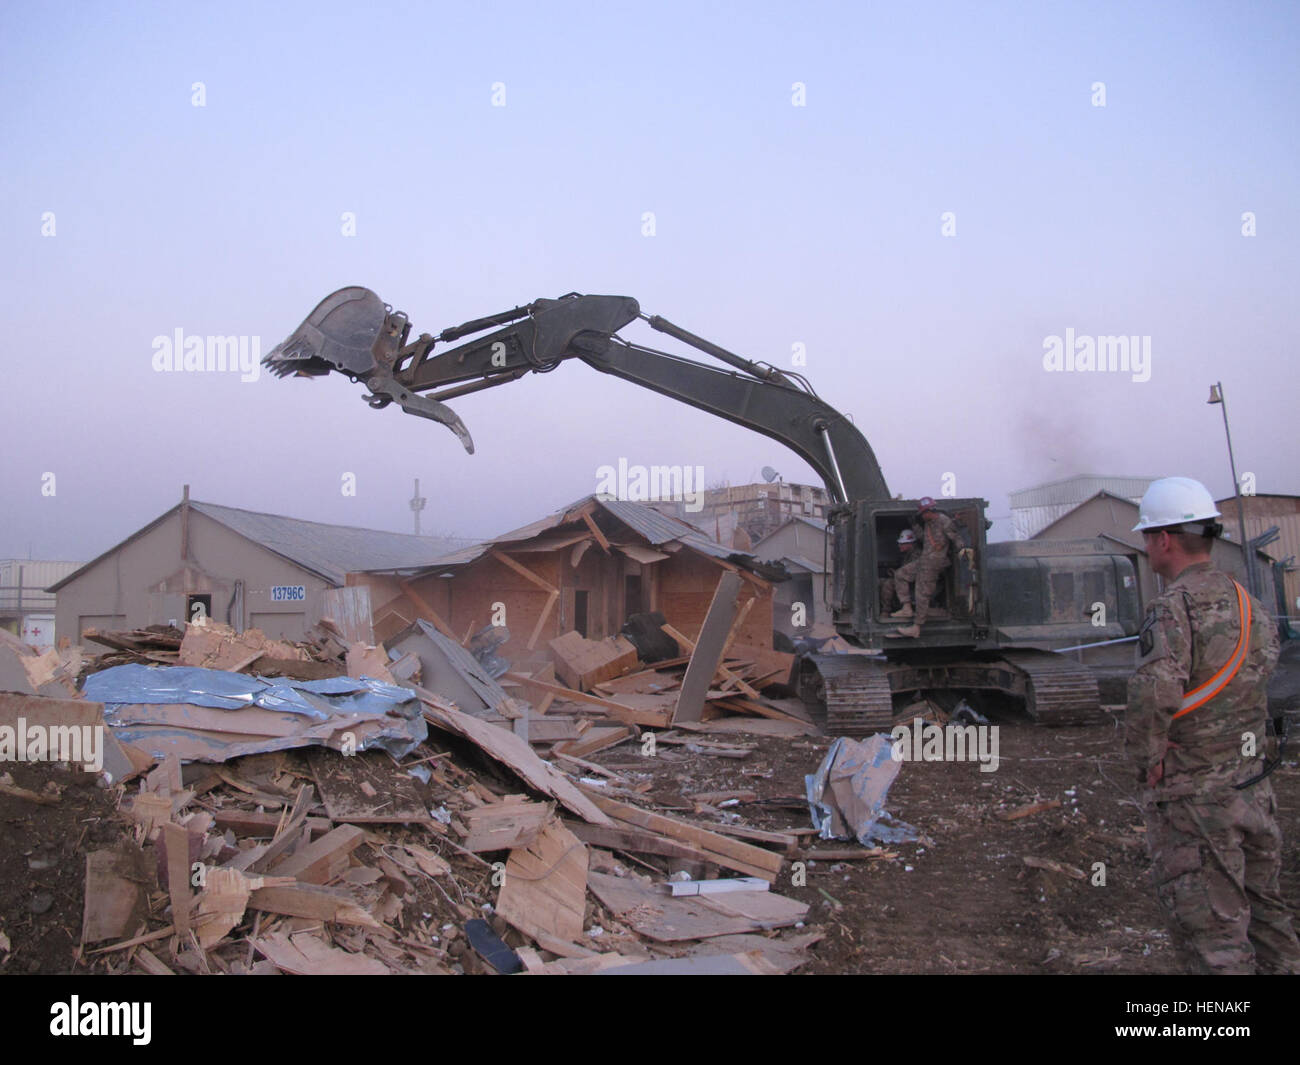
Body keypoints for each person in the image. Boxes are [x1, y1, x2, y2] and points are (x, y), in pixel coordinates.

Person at [1126, 476, 1300, 974]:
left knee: (1214, 937)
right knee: (1268, 918)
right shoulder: (1250, 605)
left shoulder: (1172, 609)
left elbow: (1152, 697)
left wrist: (1148, 763)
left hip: (1197, 801)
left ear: (1162, 540)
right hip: (1252, 788)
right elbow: (1262, 675)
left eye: (1146, 536)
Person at [889, 497, 971, 638]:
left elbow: (956, 538)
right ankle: (906, 607)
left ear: (929, 511)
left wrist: (963, 551)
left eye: (923, 513)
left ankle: (916, 627)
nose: (922, 516)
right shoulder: (929, 523)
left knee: (922, 593)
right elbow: (922, 538)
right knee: (900, 574)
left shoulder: (944, 521)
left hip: (934, 562)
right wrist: (913, 523)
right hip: (924, 560)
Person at [879, 528, 920, 614]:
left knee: (889, 583)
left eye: (902, 544)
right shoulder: (907, 555)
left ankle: (889, 610)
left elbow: (914, 573)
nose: (899, 546)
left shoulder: (917, 555)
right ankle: (885, 611)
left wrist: (897, 574)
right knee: (883, 582)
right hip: (906, 581)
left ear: (910, 544)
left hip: (915, 583)